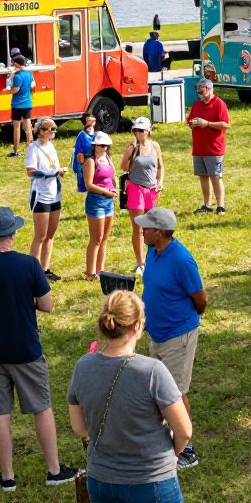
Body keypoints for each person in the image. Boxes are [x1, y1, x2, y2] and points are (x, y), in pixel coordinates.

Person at [0, 207, 76, 491]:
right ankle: (53, 469)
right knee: (42, 408)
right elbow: (47, 305)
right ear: (13, 233)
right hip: (26, 349)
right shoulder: (29, 264)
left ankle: (8, 476)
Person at [67, 290, 191, 503]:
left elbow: (79, 428)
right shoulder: (152, 370)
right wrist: (174, 453)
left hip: (101, 480)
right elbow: (184, 431)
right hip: (151, 480)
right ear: (137, 327)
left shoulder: (83, 366)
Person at [137, 207, 207, 469]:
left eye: (146, 227)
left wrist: (183, 321)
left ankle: (187, 450)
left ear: (159, 232)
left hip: (178, 335)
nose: (141, 230)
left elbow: (200, 299)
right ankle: (167, 439)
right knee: (159, 390)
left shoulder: (181, 260)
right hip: (157, 332)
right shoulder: (153, 252)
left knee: (176, 393)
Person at [121, 116, 164, 275]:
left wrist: (160, 182)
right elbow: (124, 168)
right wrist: (128, 155)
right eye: (136, 131)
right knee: (138, 227)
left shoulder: (155, 146)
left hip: (152, 190)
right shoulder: (132, 147)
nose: (138, 134)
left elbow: (160, 167)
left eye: (142, 130)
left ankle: (152, 259)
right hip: (135, 188)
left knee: (152, 227)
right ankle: (140, 262)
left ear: (149, 131)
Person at [25, 118, 66, 282]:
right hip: (41, 195)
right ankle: (32, 272)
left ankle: (45, 269)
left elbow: (53, 166)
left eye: (55, 129)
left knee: (50, 234)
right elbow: (31, 172)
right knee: (40, 236)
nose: (53, 132)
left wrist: (59, 171)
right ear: (41, 131)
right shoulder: (33, 149)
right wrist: (53, 173)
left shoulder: (51, 146)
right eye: (50, 129)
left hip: (55, 193)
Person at [188, 77, 231, 214]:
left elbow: (225, 124)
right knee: (203, 176)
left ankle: (221, 205)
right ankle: (207, 204)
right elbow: (189, 121)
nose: (200, 95)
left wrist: (207, 123)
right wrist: (193, 123)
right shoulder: (196, 105)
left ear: (209, 89)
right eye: (198, 93)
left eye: (202, 92)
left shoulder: (219, 104)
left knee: (216, 176)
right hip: (199, 147)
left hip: (214, 148)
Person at [84, 131, 117, 280]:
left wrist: (115, 189)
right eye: (101, 145)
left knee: (105, 238)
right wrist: (106, 192)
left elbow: (113, 176)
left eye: (106, 146)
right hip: (97, 201)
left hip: (109, 201)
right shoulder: (91, 161)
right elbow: (89, 184)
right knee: (96, 239)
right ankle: (90, 273)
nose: (104, 148)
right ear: (94, 146)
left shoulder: (108, 158)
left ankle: (100, 270)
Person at [7, 55, 35, 157]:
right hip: (28, 103)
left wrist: (8, 90)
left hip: (18, 105)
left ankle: (15, 151)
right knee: (28, 128)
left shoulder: (17, 76)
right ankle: (31, 150)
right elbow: (33, 85)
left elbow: (16, 90)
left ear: (16, 64)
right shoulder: (29, 74)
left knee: (16, 128)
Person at [72, 112, 96, 194]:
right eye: (88, 121)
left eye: (92, 120)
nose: (90, 123)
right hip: (83, 159)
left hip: (93, 158)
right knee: (82, 174)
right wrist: (80, 159)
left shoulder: (96, 134)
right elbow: (77, 149)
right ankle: (83, 189)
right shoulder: (82, 135)